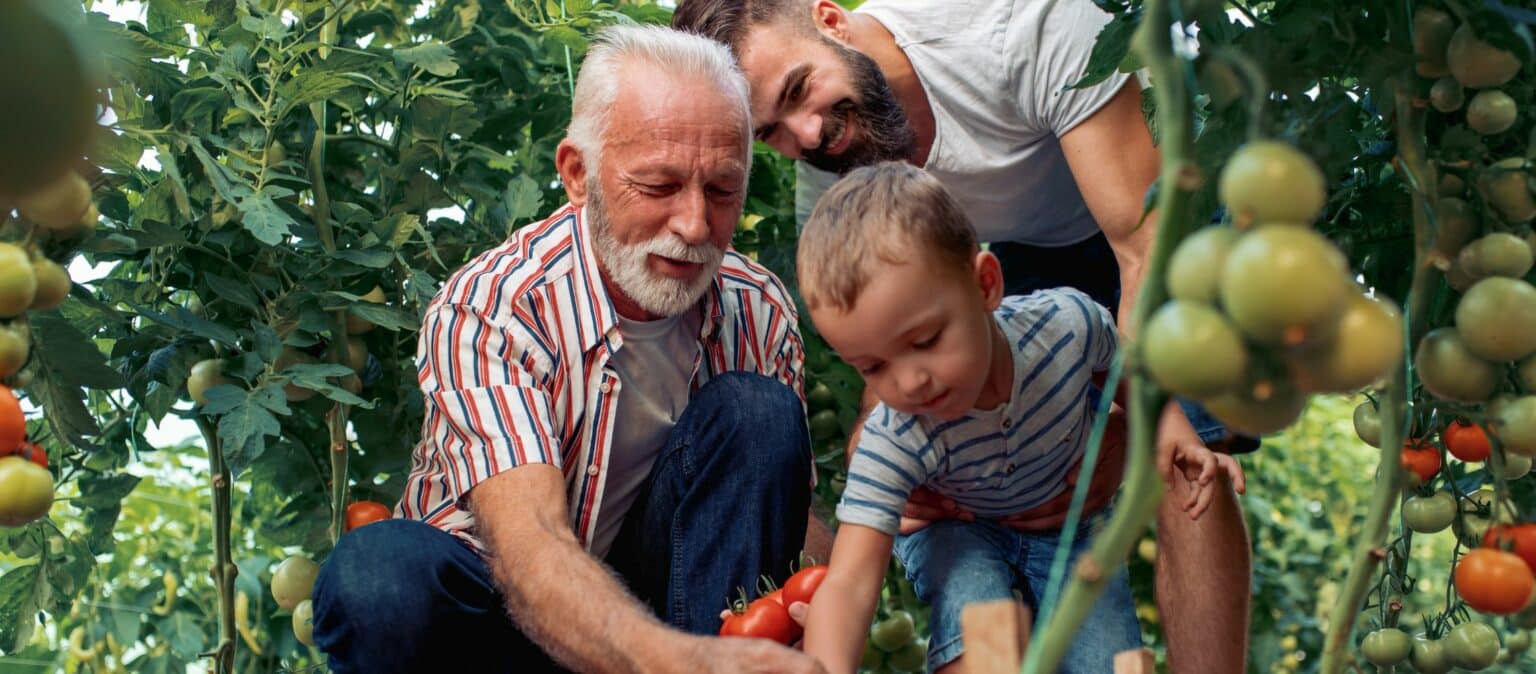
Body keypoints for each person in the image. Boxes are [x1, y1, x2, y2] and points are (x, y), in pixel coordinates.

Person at [671, 1, 1255, 669]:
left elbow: (1141, 253)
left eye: (800, 89)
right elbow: (883, 345)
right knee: (987, 480)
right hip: (1017, 246)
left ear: (831, 20)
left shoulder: (1023, 30)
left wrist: (1131, 429)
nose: (807, 134)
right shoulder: (831, 162)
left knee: (1190, 449)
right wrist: (894, 466)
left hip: (1144, 210)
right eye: (772, 132)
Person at [310, 25, 831, 674]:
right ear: (577, 175)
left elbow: (780, 515)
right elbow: (531, 549)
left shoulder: (757, 308)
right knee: (377, 578)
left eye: (722, 190)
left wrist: (831, 595)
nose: (695, 225)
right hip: (507, 615)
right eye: (659, 187)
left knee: (758, 412)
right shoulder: (494, 306)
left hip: (671, 610)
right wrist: (683, 662)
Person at [794, 162, 1244, 673]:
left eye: (924, 342)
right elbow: (850, 584)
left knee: (1111, 661)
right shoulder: (893, 437)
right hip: (957, 535)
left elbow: (1131, 374)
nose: (909, 382)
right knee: (981, 638)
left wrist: (1177, 437)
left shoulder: (1067, 326)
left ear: (985, 285)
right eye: (873, 367)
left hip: (1065, 526)